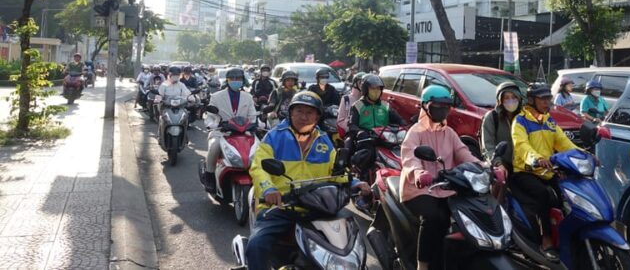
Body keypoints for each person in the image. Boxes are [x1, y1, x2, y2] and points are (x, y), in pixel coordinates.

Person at [246, 91, 370, 270]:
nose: (304, 117)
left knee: (350, 244)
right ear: (290, 113)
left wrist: (354, 183)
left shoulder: (324, 140)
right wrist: (269, 190)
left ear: (318, 116)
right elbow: (258, 168)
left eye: (309, 112)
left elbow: (336, 171)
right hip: (281, 207)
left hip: (318, 206)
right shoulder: (274, 136)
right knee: (256, 246)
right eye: (299, 112)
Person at [400, 86, 502, 270]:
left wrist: (486, 167)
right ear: (425, 107)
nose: (442, 110)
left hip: (447, 187)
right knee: (434, 218)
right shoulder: (415, 133)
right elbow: (409, 159)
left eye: (446, 106)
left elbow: (464, 154)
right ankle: (422, 265)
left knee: (470, 214)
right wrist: (419, 173)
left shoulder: (449, 132)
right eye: (437, 106)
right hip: (419, 189)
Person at [511, 86, 579, 261]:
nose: (547, 102)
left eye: (548, 98)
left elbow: (564, 143)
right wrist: (537, 158)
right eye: (543, 99)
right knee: (543, 195)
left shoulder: (549, 121)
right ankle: (546, 240)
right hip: (525, 172)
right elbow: (521, 146)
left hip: (547, 171)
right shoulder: (520, 121)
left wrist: (585, 155)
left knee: (570, 192)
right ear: (532, 100)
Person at [202, 67, 258, 193]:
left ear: (243, 80)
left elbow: (252, 116)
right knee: (214, 146)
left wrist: (252, 124)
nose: (235, 81)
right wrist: (215, 124)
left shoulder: (248, 97)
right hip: (221, 132)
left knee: (259, 147)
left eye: (238, 79)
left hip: (244, 132)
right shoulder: (216, 96)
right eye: (232, 78)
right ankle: (209, 175)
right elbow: (210, 117)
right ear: (227, 80)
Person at [480, 82, 523, 175]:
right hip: (502, 165)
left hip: (523, 166)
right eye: (506, 98)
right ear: (500, 100)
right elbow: (488, 146)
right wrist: (498, 163)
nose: (510, 100)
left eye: (514, 97)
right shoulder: (492, 117)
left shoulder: (524, 116)